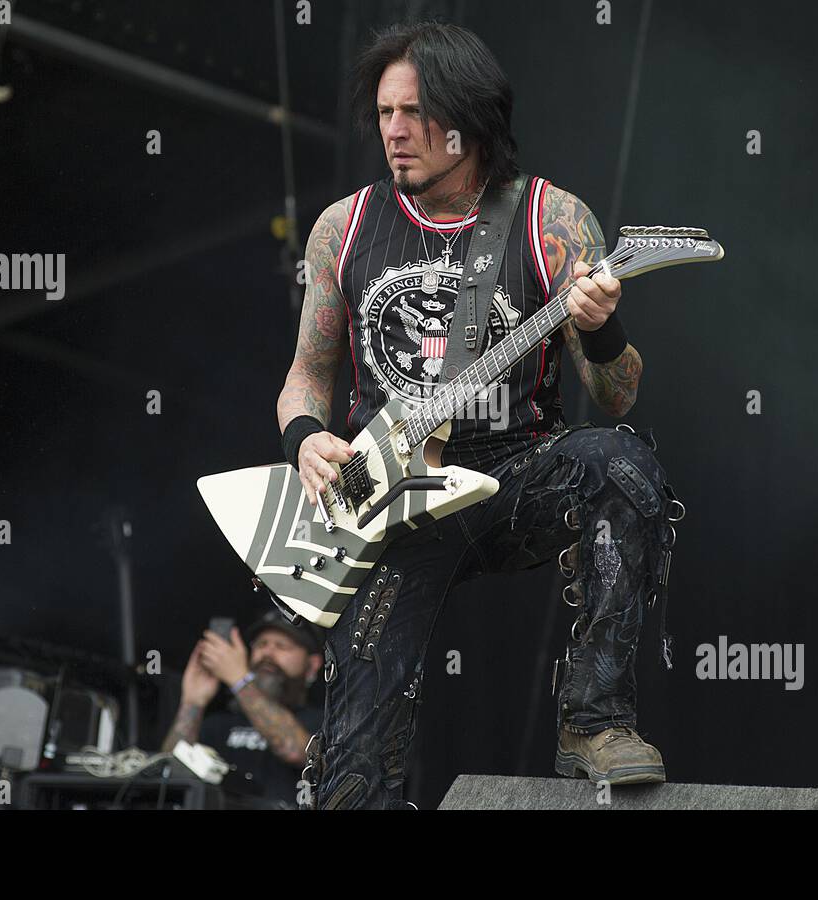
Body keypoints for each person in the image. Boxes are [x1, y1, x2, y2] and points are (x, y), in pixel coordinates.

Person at [275, 21, 682, 810]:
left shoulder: (551, 222)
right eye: (385, 112)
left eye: (415, 113)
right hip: (386, 504)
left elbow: (619, 396)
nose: (393, 131)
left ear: (468, 120)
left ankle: (594, 720)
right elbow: (304, 376)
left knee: (622, 462)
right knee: (352, 779)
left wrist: (601, 327)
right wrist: (304, 439)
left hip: (514, 478)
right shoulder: (343, 227)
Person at [161, 610, 323, 808]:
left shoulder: (325, 722)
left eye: (282, 646)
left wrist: (239, 680)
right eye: (261, 644)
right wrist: (192, 701)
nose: (267, 653)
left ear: (312, 665)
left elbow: (294, 750)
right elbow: (168, 776)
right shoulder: (218, 724)